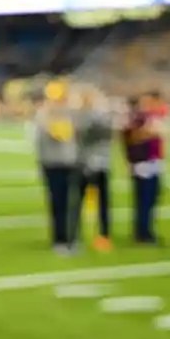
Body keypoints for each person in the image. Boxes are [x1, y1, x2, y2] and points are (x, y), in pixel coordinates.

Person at [31, 80, 80, 254]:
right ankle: (60, 239)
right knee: (58, 203)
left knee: (71, 203)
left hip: (69, 163)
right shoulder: (44, 115)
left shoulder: (68, 114)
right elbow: (59, 134)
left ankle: (71, 237)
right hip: (53, 164)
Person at [73, 83, 114, 251]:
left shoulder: (94, 117)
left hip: (95, 163)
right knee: (82, 202)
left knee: (100, 202)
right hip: (86, 163)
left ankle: (102, 235)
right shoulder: (86, 117)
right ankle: (79, 235)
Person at [122, 93, 164, 245]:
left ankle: (146, 230)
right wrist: (151, 132)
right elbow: (132, 137)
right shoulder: (137, 119)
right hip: (142, 163)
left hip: (152, 161)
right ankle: (142, 232)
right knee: (144, 200)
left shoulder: (146, 118)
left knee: (151, 199)